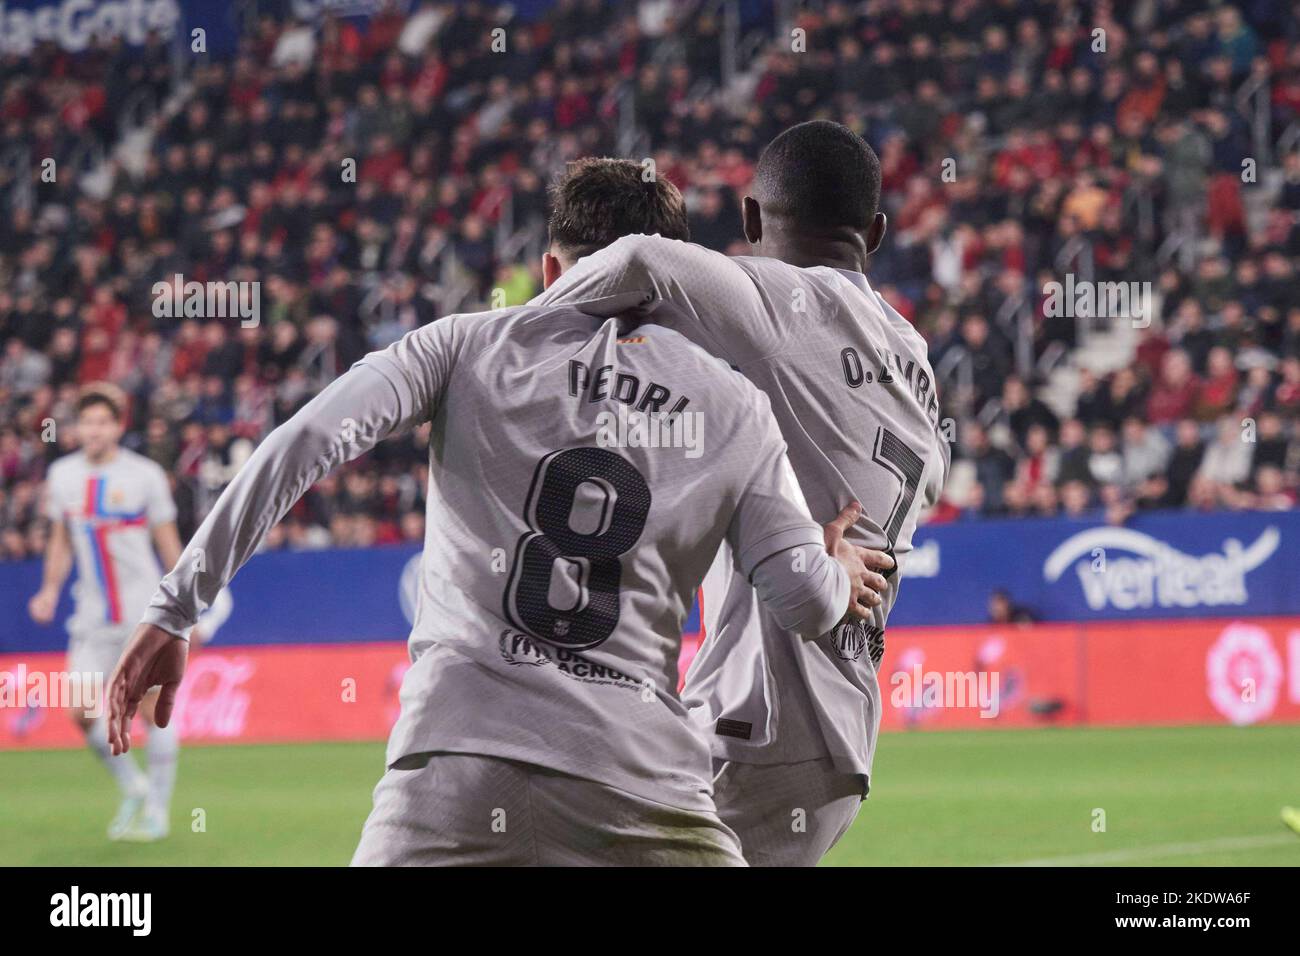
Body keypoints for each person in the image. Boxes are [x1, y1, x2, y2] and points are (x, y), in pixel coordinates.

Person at [106, 158, 890, 866]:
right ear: (678, 279)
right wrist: (835, 565)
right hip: (642, 787)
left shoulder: (460, 346)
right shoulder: (735, 406)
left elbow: (307, 438)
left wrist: (178, 608)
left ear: (552, 268)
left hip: (454, 766)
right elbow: (805, 602)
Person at [534, 121, 950, 865]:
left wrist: (505, 343)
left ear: (752, 219)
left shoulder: (776, 303)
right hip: (837, 729)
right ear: (877, 232)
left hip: (758, 722)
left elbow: (639, 258)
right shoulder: (911, 356)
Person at [28, 384, 187, 842]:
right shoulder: (62, 476)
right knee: (79, 711)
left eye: (102, 422)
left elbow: (168, 543)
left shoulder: (146, 475)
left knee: (152, 710)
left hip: (144, 615)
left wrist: (185, 605)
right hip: (92, 618)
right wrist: (49, 589)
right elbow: (61, 540)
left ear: (118, 426)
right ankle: (132, 785)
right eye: (86, 422)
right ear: (77, 428)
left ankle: (157, 811)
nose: (93, 430)